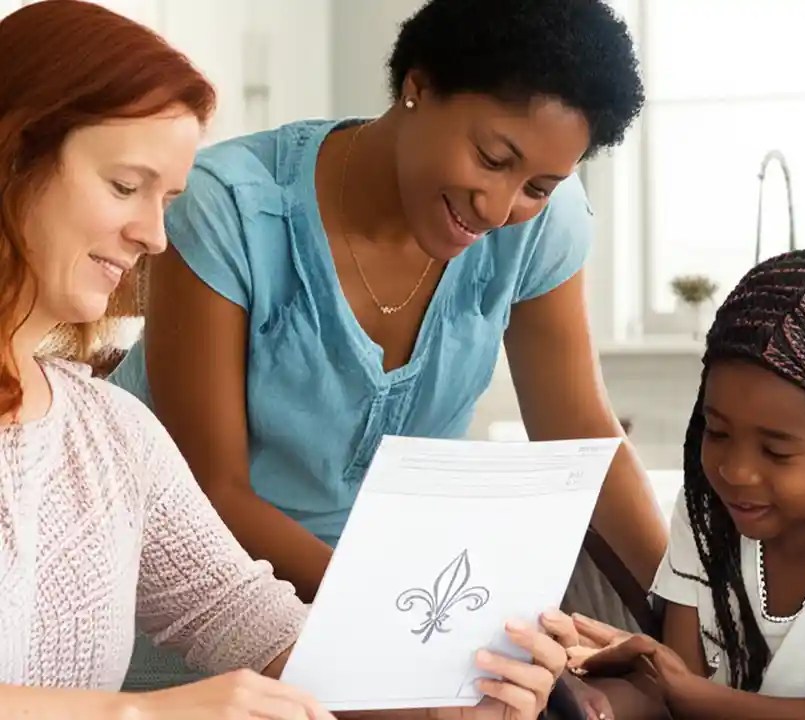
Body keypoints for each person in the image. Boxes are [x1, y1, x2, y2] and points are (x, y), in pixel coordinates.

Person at [0, 2, 565, 718]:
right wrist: (144, 713)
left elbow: (242, 614)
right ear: (13, 155)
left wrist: (447, 697)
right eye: (124, 186)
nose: (154, 235)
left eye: (167, 198)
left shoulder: (112, 434)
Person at [107, 0, 666, 605]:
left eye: (537, 186)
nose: (499, 210)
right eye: (493, 160)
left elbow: (580, 435)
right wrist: (397, 614)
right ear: (417, 87)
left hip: (397, 607)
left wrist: (701, 625)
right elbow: (213, 493)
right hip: (195, 601)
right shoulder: (230, 209)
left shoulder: (536, 230)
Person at [560, 245, 805, 719]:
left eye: (776, 451)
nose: (735, 470)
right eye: (717, 432)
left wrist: (692, 694)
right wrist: (587, 701)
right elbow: (672, 697)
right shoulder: (709, 506)